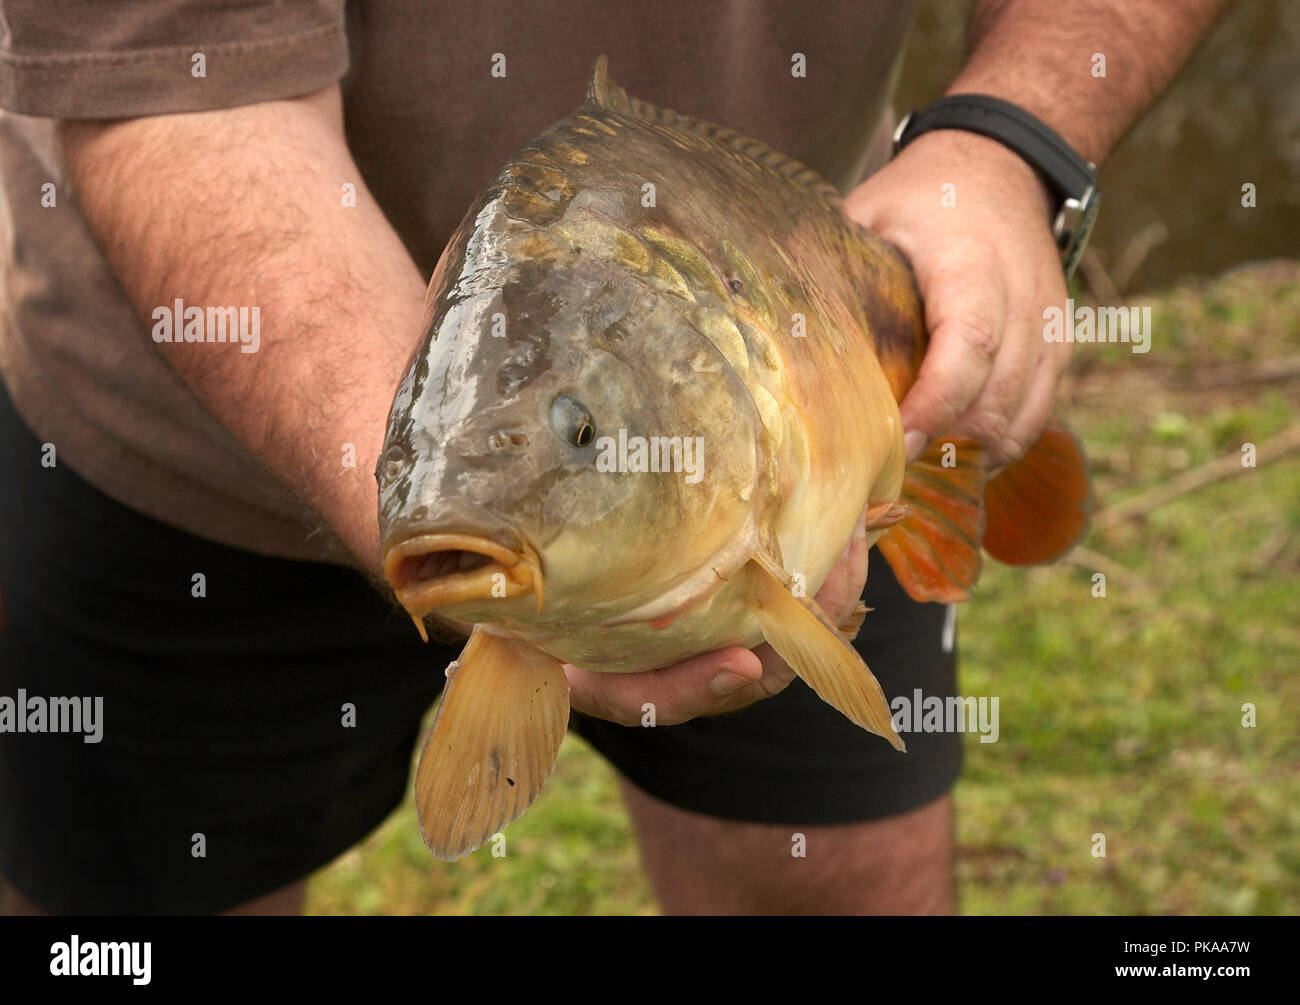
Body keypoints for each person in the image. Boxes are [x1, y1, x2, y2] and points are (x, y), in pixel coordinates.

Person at [0, 0, 1225, 915]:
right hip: (181, 430)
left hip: (791, 335)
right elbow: (182, 86)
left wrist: (1010, 139)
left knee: (833, 889)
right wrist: (439, 478)